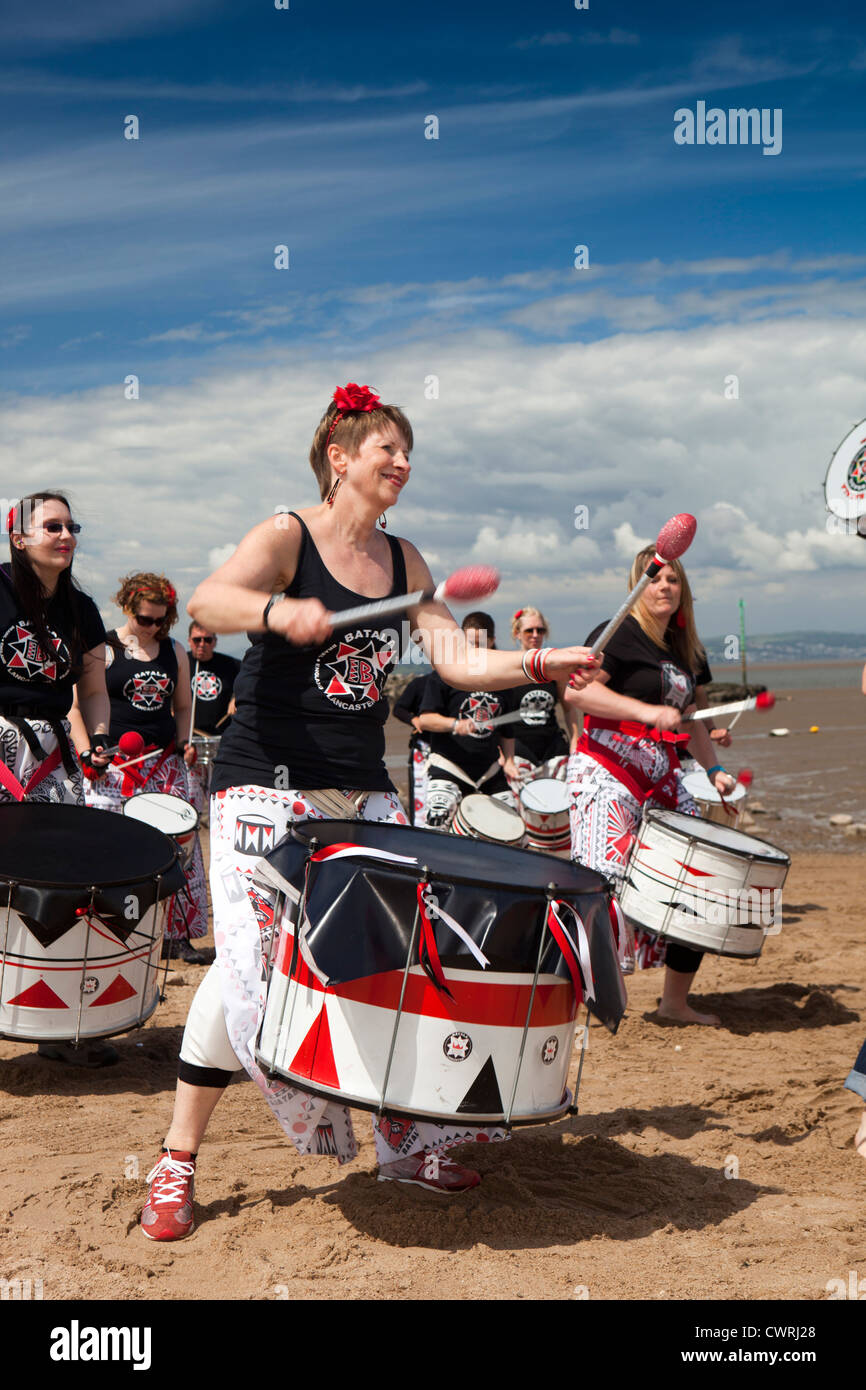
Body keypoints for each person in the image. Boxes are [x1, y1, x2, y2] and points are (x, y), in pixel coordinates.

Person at [139, 382, 600, 1240]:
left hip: (363, 791)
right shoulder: (288, 535)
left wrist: (541, 666)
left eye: (406, 449)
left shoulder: (407, 561)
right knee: (244, 978)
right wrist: (279, 610)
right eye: (385, 445)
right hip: (262, 787)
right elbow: (207, 601)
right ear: (338, 458)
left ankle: (401, 1138)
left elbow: (458, 662)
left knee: (385, 967)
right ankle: (177, 1161)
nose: (401, 460)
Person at [565, 547, 736, 1027]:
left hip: (663, 774)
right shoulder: (616, 632)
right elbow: (577, 691)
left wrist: (716, 770)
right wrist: (646, 713)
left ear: (683, 592)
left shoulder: (684, 652)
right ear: (637, 586)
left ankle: (674, 1004)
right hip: (606, 770)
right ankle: (583, 992)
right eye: (653, 578)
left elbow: (695, 722)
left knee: (699, 877)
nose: (664, 586)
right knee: (602, 889)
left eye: (673, 580)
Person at [2, 492, 116, 1065]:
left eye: (72, 525)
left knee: (59, 881)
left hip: (52, 749)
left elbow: (91, 689)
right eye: (52, 526)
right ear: (18, 535)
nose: (66, 534)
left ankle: (52, 1022)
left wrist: (95, 742)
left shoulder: (83, 609)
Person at [70, 572, 211, 965]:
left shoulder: (175, 651)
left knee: (177, 849)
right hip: (113, 764)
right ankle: (105, 933)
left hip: (162, 763)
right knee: (110, 849)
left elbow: (182, 705)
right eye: (145, 619)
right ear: (127, 607)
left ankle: (177, 936)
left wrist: (184, 743)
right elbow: (77, 707)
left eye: (160, 621)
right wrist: (86, 753)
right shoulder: (104, 648)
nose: (153, 628)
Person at [416, 613, 516, 829]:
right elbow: (425, 720)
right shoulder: (445, 674)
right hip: (449, 767)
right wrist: (455, 724)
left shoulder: (502, 680)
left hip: (488, 771)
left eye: (479, 644)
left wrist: (509, 761)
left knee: (512, 829)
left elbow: (507, 732)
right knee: (436, 822)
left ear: (491, 642)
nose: (473, 650)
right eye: (469, 644)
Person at [500, 606, 570, 794]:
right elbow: (498, 715)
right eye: (529, 630)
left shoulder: (555, 667)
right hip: (519, 750)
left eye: (540, 630)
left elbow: (570, 708)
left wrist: (576, 744)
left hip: (552, 748)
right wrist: (504, 758)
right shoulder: (507, 667)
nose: (535, 635)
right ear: (517, 634)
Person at [390, 671, 432, 826]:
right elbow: (399, 709)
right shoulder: (420, 683)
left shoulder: (460, 684)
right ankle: (421, 832)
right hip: (425, 748)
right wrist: (414, 720)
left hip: (454, 749)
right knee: (421, 796)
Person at [187, 622, 240, 735]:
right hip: (187, 735)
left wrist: (237, 698)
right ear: (189, 641)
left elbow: (251, 678)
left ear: (215, 641)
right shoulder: (180, 663)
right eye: (197, 640)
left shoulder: (231, 665)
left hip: (222, 736)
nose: (202, 644)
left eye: (207, 640)